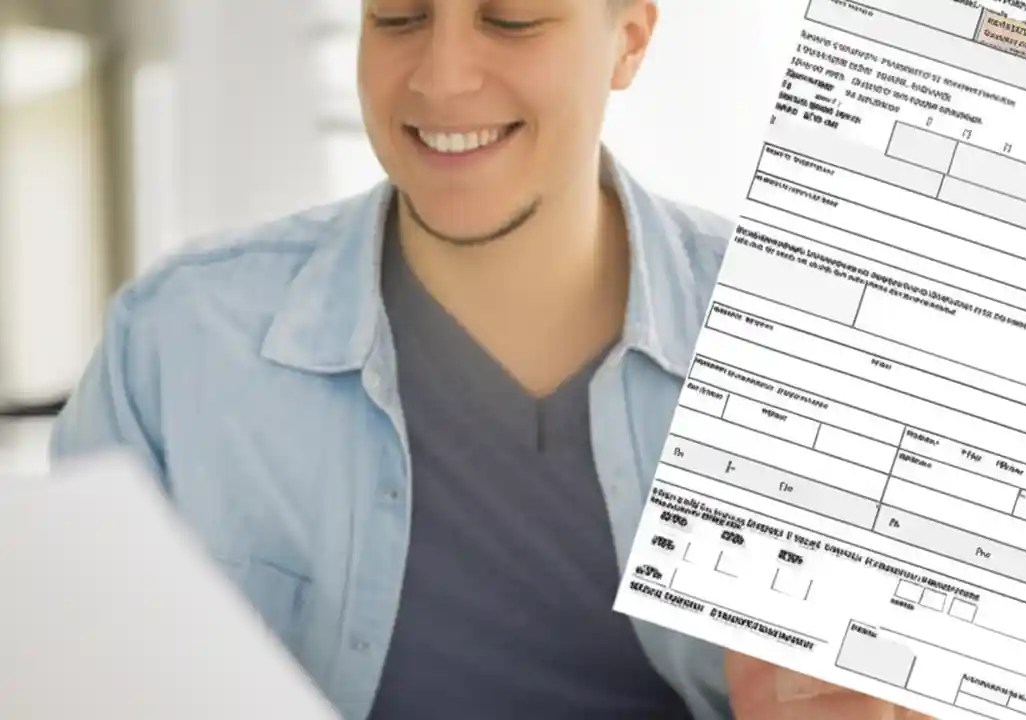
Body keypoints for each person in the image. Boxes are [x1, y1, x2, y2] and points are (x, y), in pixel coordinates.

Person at [51, 1, 930, 718]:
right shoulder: (176, 348)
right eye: (398, 18)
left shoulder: (819, 355)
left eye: (511, 20)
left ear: (628, 42)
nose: (442, 79)